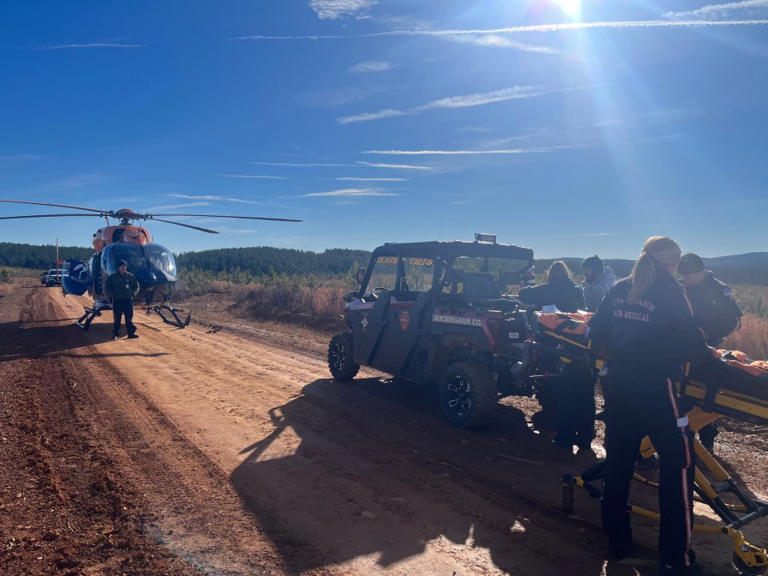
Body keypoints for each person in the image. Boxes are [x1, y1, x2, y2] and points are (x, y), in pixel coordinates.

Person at [588, 236, 715, 575]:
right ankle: (675, 558)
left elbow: (596, 330)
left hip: (618, 386)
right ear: (672, 262)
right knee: (678, 466)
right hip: (658, 390)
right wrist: (712, 361)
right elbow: (692, 346)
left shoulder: (618, 288)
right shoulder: (672, 291)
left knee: (619, 461)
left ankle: (617, 539)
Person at [678, 252, 742, 452]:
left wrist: (706, 332)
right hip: (681, 348)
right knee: (682, 394)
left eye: (690, 276)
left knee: (705, 395)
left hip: (707, 348)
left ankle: (707, 442)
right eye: (683, 276)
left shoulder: (718, 289)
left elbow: (733, 321)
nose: (687, 280)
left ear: (702, 272)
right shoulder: (681, 287)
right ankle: (681, 439)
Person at [518, 261, 585, 312]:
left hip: (547, 324)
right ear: (566, 273)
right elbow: (582, 309)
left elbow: (522, 292)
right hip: (573, 324)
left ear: (550, 274)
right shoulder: (576, 289)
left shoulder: (544, 289)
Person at [105, 259, 140, 340]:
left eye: (124, 266)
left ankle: (130, 334)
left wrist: (133, 294)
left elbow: (136, 286)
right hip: (117, 300)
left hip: (128, 300)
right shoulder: (113, 277)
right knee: (117, 318)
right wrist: (111, 295)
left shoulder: (130, 276)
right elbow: (107, 287)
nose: (123, 268)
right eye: (121, 266)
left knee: (129, 318)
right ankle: (116, 334)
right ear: (118, 267)